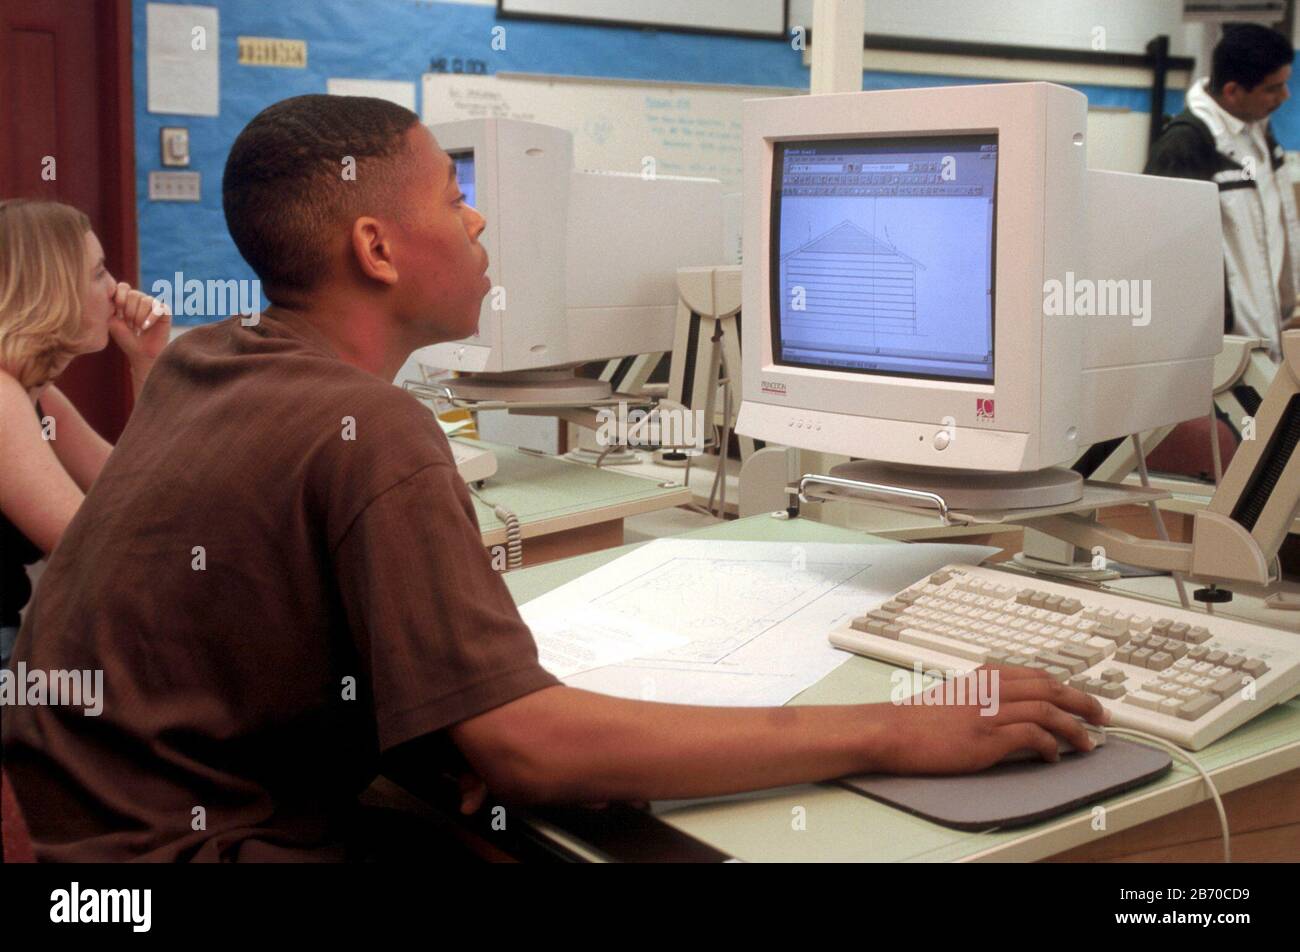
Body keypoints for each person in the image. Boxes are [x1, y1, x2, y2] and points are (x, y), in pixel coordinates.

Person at [2, 95, 1107, 862]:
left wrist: (455, 732)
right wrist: (894, 729)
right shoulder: (367, 425)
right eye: (452, 197)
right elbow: (530, 749)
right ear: (379, 250)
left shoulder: (211, 358)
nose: (479, 217)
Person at [0, 199, 169, 860]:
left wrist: (148, 364)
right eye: (97, 272)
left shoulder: (33, 390)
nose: (116, 289)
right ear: (51, 286)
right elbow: (95, 552)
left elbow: (133, 499)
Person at [1146, 23, 1299, 358]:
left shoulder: (1258, 131)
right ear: (1232, 91)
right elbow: (1164, 261)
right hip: (1221, 351)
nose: (1285, 96)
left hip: (1268, 337)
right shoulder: (1185, 145)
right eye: (1273, 88)